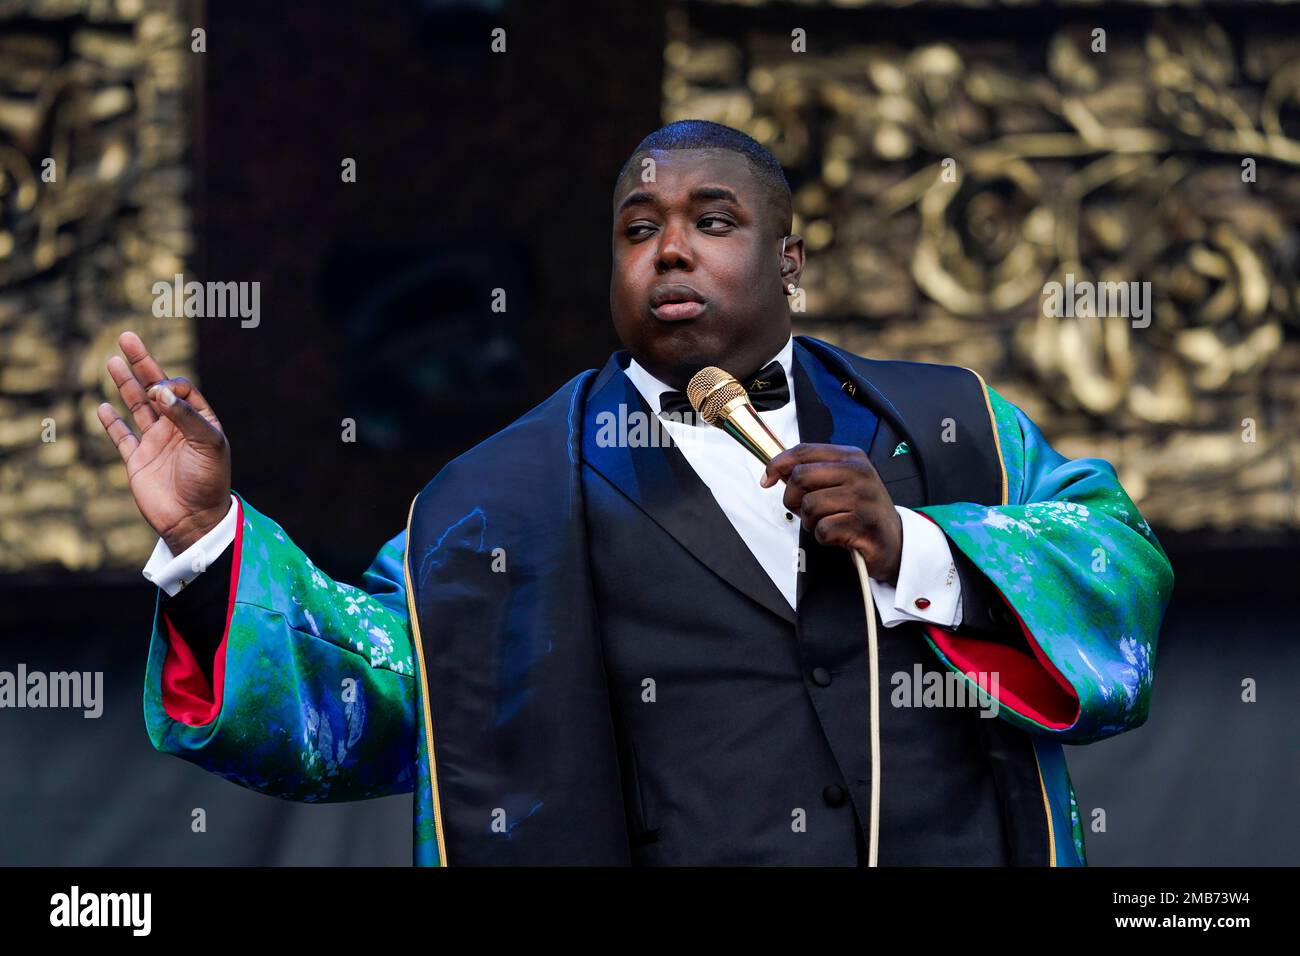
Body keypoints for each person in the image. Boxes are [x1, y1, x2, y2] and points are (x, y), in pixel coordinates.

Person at [98, 120, 1173, 866]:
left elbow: (1111, 557)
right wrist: (204, 537)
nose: (668, 249)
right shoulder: (495, 498)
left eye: (711, 221)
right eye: (637, 228)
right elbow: (373, 689)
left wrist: (919, 550)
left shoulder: (950, 419)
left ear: (787, 259)